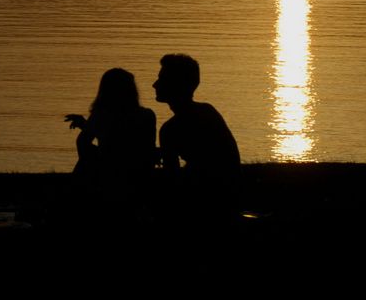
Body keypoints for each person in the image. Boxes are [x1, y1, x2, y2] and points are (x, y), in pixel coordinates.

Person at [154, 54, 240, 220]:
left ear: (175, 85)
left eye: (161, 79)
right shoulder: (208, 111)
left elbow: (172, 178)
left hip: (205, 203)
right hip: (230, 192)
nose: (155, 84)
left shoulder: (170, 129)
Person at [65, 68, 157, 210]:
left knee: (87, 160)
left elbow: (86, 143)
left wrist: (89, 129)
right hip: (139, 174)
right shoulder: (147, 115)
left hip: (110, 174)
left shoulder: (101, 116)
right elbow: (127, 141)